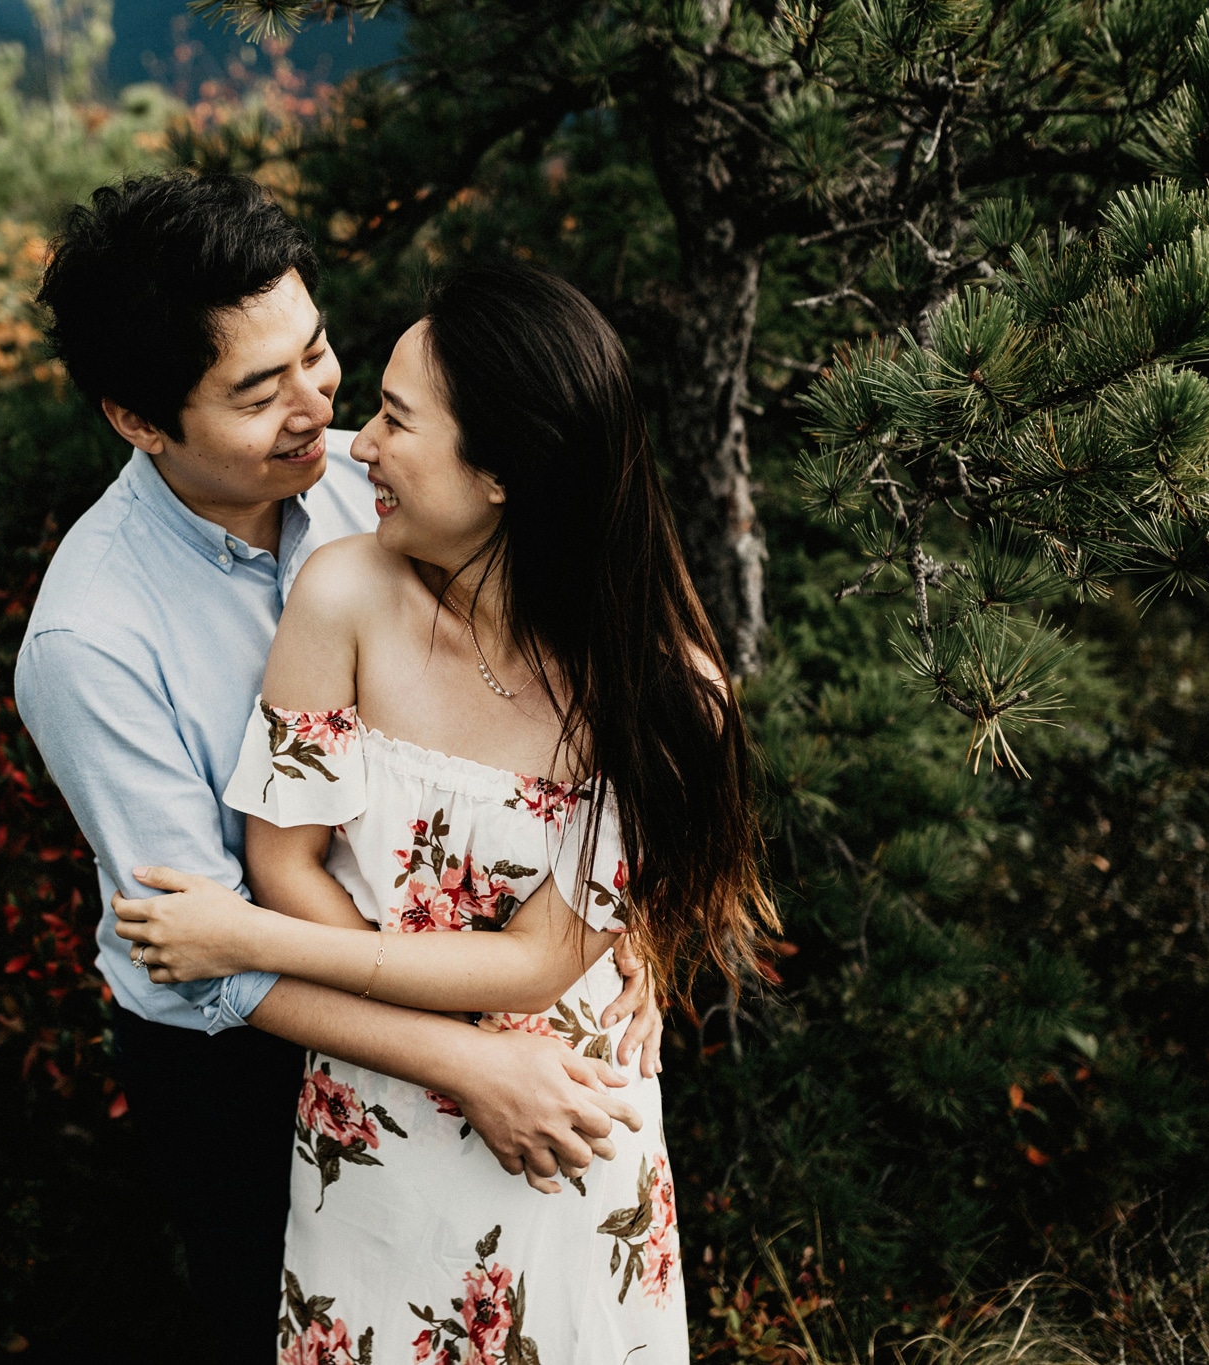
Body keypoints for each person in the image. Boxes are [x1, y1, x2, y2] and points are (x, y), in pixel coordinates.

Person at [14, 174, 661, 1365]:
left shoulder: (390, 481)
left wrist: (612, 925)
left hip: (489, 991)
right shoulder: (89, 640)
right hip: (247, 1068)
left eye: (317, 355)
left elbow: (567, 707)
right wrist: (471, 1060)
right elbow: (196, 951)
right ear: (138, 420)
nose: (319, 406)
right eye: (258, 392)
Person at [114, 261, 776, 1363]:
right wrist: (451, 1055)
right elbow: (285, 862)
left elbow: (535, 966)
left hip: (563, 1122)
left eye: (394, 418)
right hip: (374, 1128)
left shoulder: (660, 697)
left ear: (504, 471)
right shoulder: (342, 594)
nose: (356, 442)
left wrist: (240, 945)